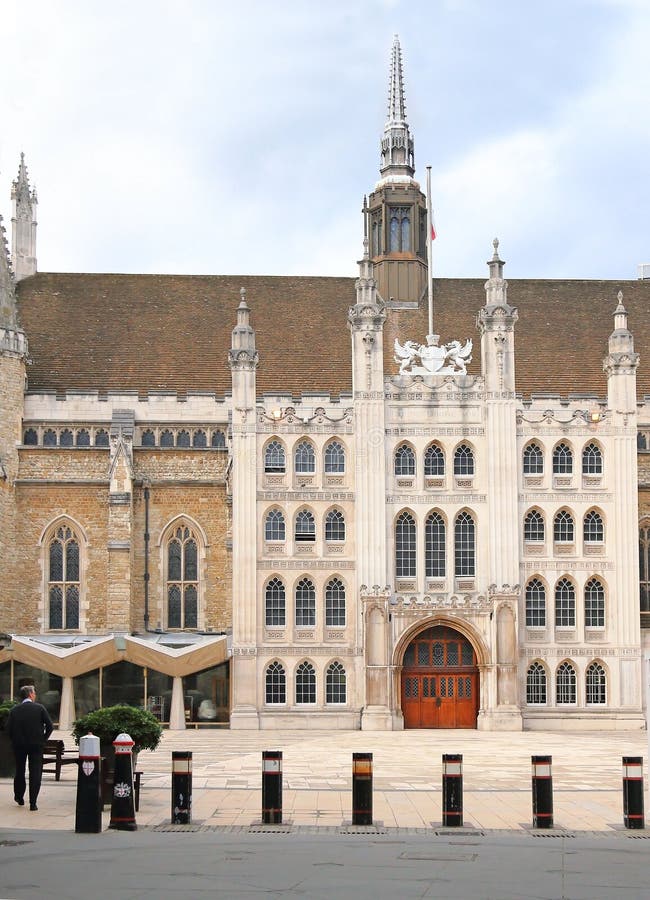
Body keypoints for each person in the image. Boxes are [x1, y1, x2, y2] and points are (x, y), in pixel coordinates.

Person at [6, 684, 53, 811]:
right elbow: (50, 726)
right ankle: (33, 803)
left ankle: (19, 797)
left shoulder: (15, 710)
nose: (35, 695)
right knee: (35, 772)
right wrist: (43, 739)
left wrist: (14, 740)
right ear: (31, 694)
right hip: (36, 745)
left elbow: (8, 729)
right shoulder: (39, 708)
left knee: (20, 770)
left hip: (19, 745)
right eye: (34, 693)